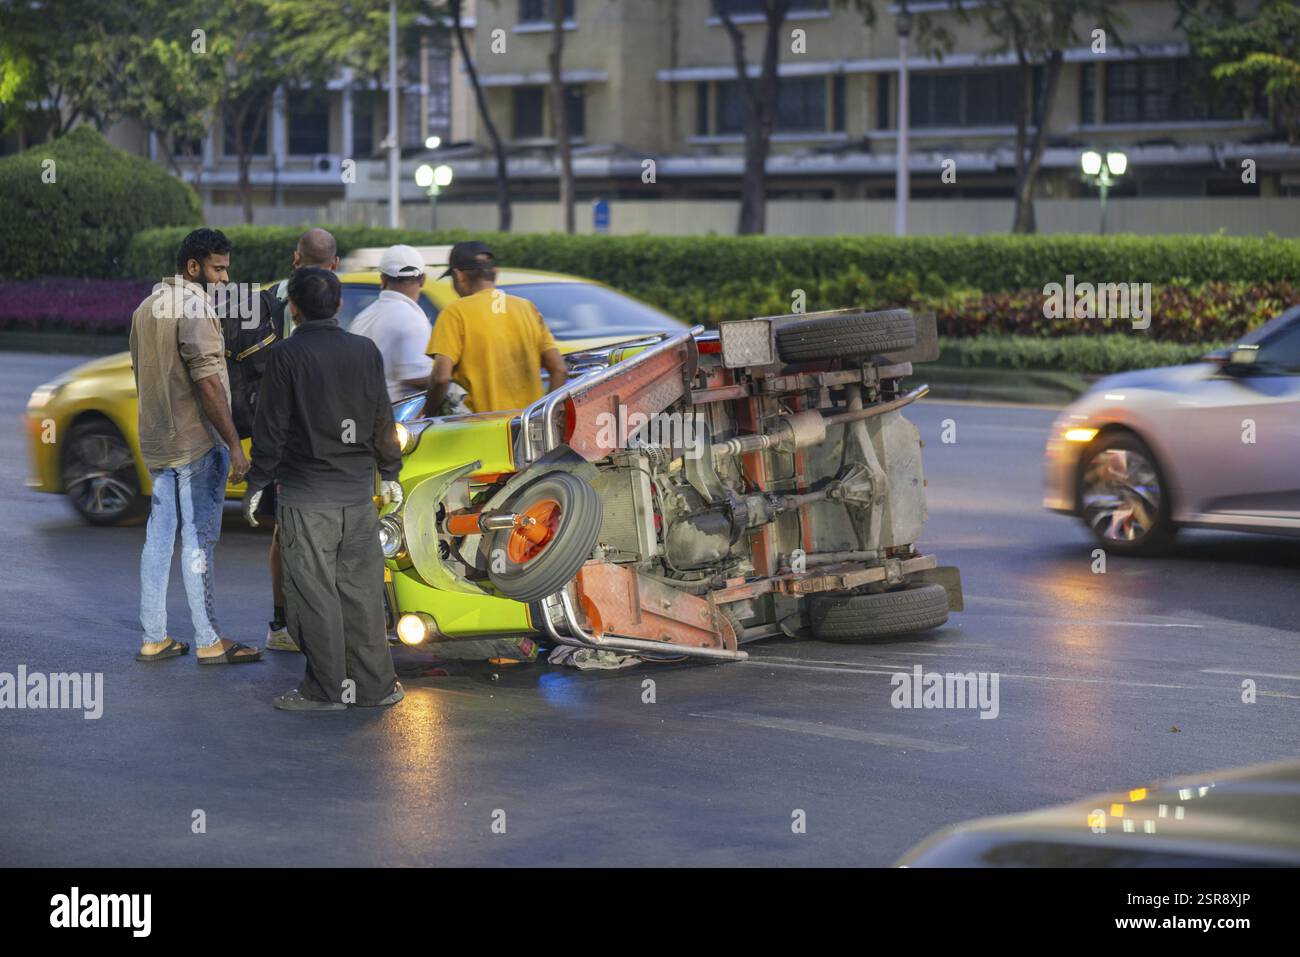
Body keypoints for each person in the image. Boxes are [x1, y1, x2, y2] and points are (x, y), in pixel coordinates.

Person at [242, 267, 404, 712]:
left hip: (307, 497)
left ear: (293, 308)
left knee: (313, 595)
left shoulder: (286, 356)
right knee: (362, 592)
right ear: (338, 306)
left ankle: (325, 691)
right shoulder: (365, 352)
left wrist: (257, 483)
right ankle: (375, 688)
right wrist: (390, 472)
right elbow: (381, 417)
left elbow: (271, 428)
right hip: (357, 497)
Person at [130, 227, 262, 665]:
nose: (225, 279)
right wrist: (234, 445)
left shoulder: (145, 309)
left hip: (158, 443)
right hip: (196, 445)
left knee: (158, 539)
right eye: (218, 269)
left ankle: (154, 636)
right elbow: (208, 383)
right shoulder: (193, 307)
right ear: (193, 267)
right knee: (199, 543)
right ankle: (208, 639)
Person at [225, 228, 341, 654]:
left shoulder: (262, 301)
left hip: (274, 433)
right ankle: (318, 620)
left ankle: (282, 621)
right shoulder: (330, 302)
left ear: (295, 258)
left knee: (283, 531)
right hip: (320, 437)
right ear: (335, 265)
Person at [422, 241, 568, 415]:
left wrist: (427, 416)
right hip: (526, 427)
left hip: (481, 429)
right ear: (495, 273)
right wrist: (541, 415)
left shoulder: (455, 312)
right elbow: (559, 369)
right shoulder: (527, 308)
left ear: (458, 275)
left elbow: (440, 378)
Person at [350, 244, 434, 402]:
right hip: (397, 420)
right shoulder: (412, 320)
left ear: (382, 279)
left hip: (363, 416)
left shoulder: (362, 318)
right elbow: (419, 378)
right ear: (423, 279)